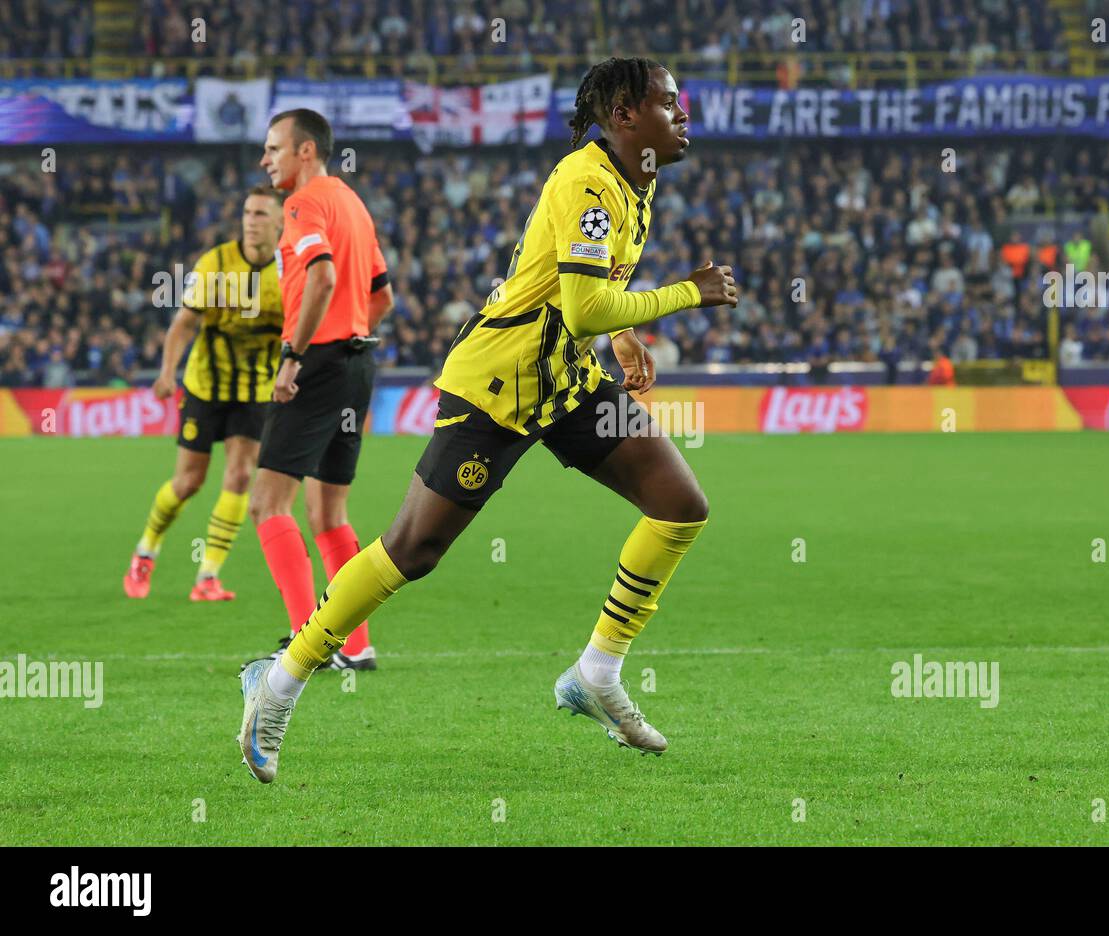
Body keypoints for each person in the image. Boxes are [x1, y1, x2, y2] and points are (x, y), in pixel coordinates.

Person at [237, 57, 738, 783]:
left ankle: (597, 672)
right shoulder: (589, 182)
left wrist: (623, 334)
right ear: (625, 115)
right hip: (500, 384)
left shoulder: (639, 177)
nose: (683, 114)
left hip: (565, 382)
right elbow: (584, 308)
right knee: (413, 550)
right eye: (669, 102)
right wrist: (687, 292)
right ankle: (280, 679)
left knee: (679, 504)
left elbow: (584, 283)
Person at [245, 108, 395, 671]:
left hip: (317, 362)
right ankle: (355, 646)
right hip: (357, 363)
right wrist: (349, 341)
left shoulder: (302, 204)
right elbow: (382, 297)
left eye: (273, 148)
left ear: (304, 151)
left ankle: (306, 642)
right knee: (330, 513)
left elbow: (323, 275)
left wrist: (295, 357)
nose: (265, 159)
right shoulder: (352, 204)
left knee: (267, 503)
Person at [122, 186, 283, 601]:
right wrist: (167, 372)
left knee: (241, 474)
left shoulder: (289, 272)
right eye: (247, 212)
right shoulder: (216, 264)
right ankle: (146, 550)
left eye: (261, 214)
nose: (251, 221)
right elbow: (183, 323)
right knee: (189, 482)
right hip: (205, 386)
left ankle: (207, 577)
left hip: (255, 389)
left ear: (280, 222)